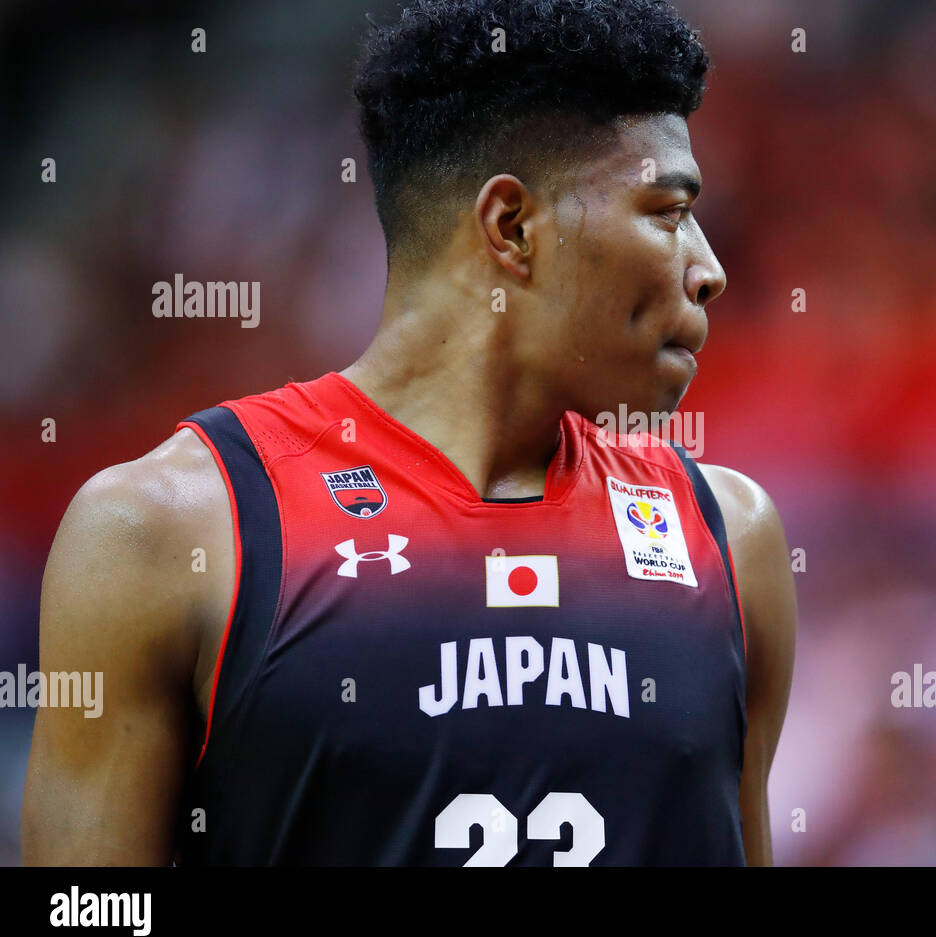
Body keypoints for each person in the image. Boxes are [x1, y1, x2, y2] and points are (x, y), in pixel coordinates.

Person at [23, 0, 796, 866]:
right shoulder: (170, 532)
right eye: (666, 212)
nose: (710, 270)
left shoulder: (731, 538)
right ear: (511, 228)